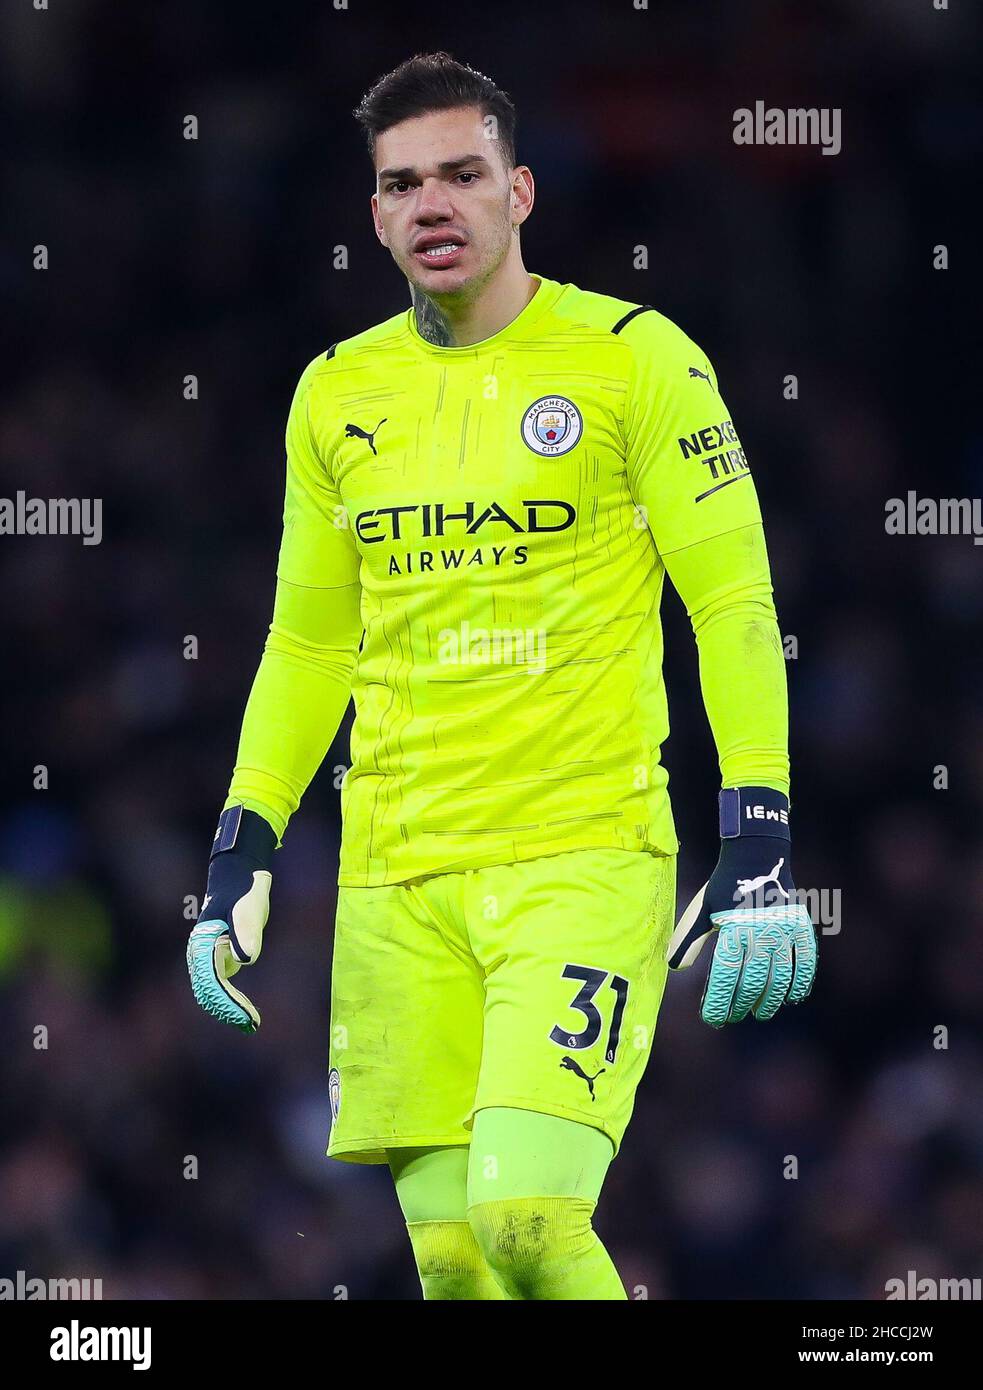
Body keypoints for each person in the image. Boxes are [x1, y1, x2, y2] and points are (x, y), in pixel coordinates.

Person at [187, 51, 817, 1300]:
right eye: (402, 182)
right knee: (458, 1265)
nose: (434, 204)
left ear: (519, 192)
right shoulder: (334, 395)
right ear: (372, 214)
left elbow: (731, 603)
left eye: (462, 175)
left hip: (579, 855)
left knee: (526, 1219)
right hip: (396, 874)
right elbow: (309, 644)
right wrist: (238, 851)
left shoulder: (635, 361)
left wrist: (758, 835)